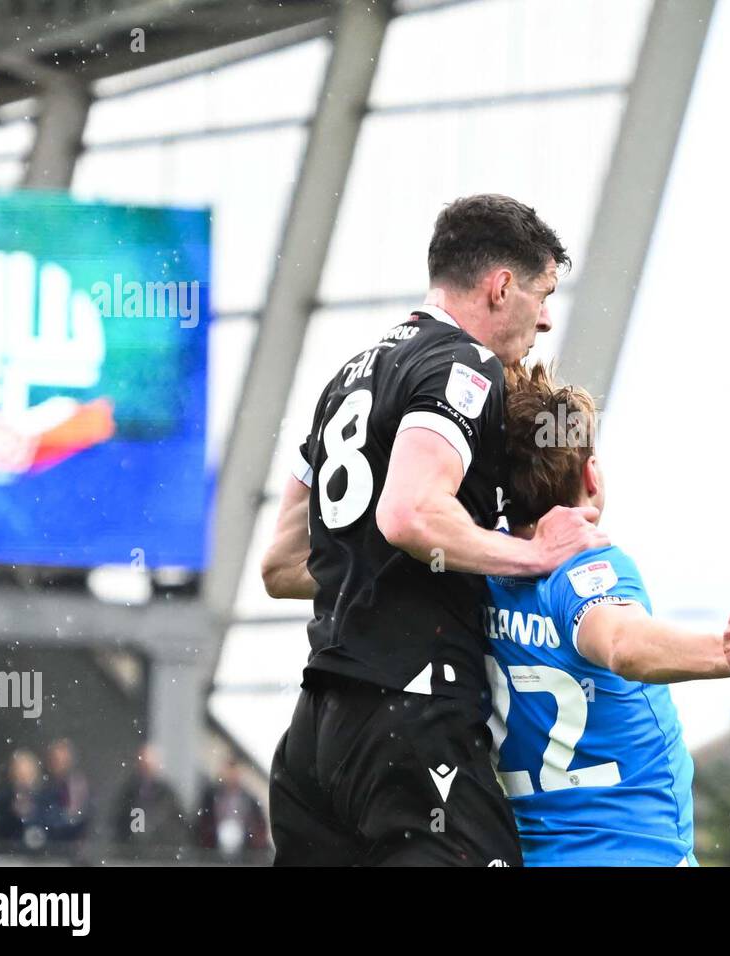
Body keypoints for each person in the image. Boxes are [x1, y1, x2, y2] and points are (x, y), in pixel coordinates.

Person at [262, 194, 608, 866]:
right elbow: (410, 513)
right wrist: (531, 553)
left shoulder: (349, 375)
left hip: (317, 734)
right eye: (543, 294)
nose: (545, 319)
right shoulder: (461, 366)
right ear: (502, 287)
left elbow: (282, 562)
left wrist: (404, 558)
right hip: (412, 716)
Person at [484, 362, 730, 865]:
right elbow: (621, 642)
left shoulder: (474, 573)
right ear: (591, 475)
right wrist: (717, 651)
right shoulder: (585, 567)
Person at [112, 744, 190, 851]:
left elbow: (177, 823)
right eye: (144, 764)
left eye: (148, 764)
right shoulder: (130, 790)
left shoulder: (166, 792)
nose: (146, 768)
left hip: (160, 851)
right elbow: (120, 821)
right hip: (135, 850)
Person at [196, 758, 268, 858]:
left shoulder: (250, 799)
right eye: (229, 771)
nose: (231, 776)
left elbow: (259, 828)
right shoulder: (210, 797)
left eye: (234, 771)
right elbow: (202, 824)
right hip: (213, 853)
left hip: (245, 853)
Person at [38, 738, 91, 844]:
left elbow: (86, 814)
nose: (60, 763)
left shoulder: (79, 785)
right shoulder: (44, 787)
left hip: (75, 843)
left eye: (63, 759)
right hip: (51, 843)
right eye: (56, 760)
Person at [0, 749, 46, 848]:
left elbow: (51, 825)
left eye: (27, 772)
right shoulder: (4, 799)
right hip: (9, 854)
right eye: (19, 772)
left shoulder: (45, 798)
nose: (23, 777)